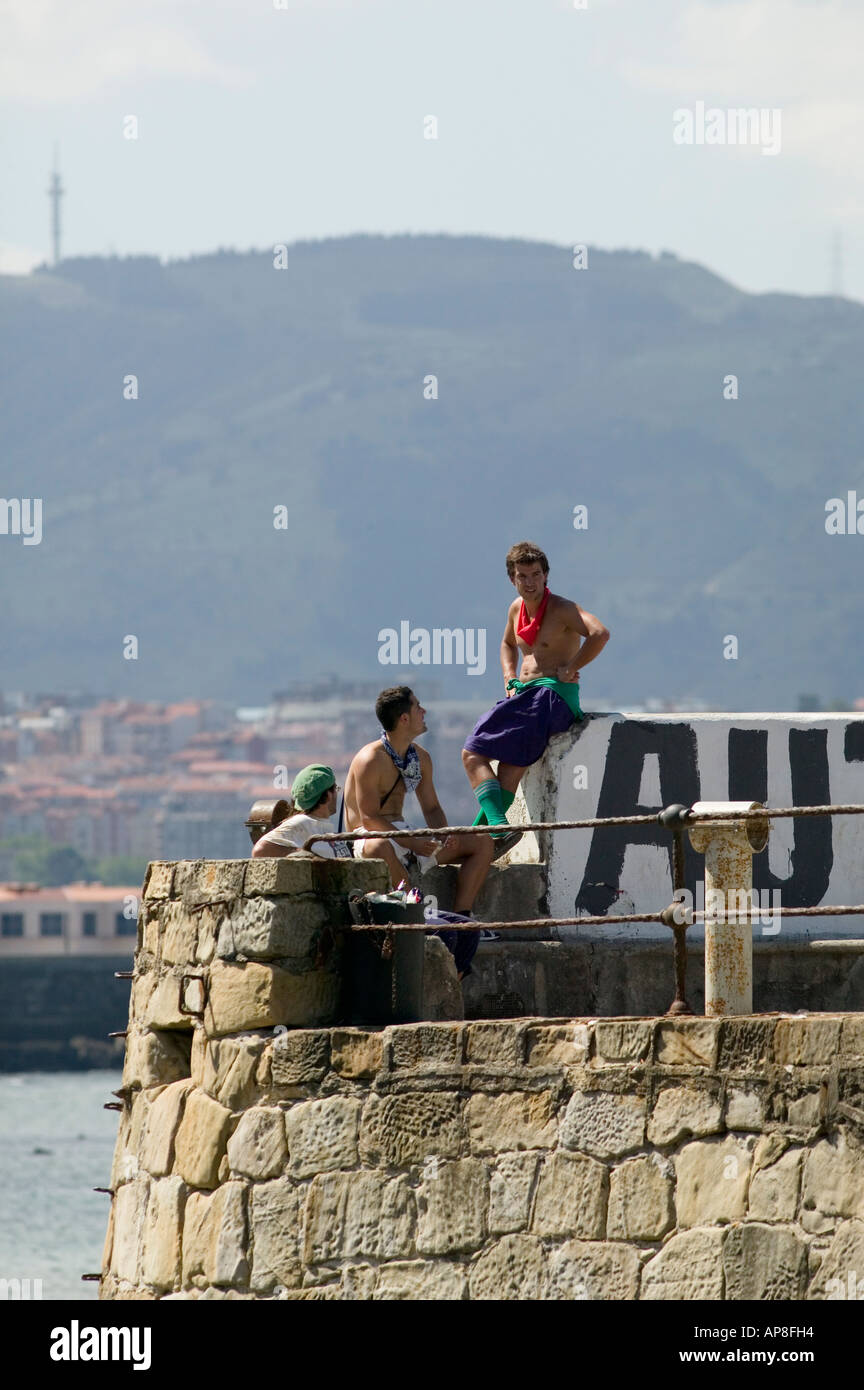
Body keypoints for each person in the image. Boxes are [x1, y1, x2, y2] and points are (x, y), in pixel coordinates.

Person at [462, 541, 610, 833]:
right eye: (522, 576)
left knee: (473, 751)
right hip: (527, 697)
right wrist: (508, 675)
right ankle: (487, 834)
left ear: (546, 576)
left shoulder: (563, 609)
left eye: (535, 575)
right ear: (512, 579)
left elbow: (600, 634)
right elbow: (507, 643)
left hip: (553, 696)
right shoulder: (516, 609)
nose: (530, 582)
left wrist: (572, 667)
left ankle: (492, 829)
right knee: (508, 766)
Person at [344, 685, 494, 922]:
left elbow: (432, 808)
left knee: (482, 842)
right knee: (377, 847)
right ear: (404, 718)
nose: (423, 711)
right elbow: (369, 818)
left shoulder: (420, 758)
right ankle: (414, 915)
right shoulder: (370, 759)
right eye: (417, 707)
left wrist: (443, 834)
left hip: (405, 836)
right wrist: (413, 842)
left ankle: (461, 917)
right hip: (370, 836)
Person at [251, 764, 351, 859]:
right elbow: (260, 850)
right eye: (336, 789)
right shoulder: (300, 823)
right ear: (329, 795)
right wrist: (305, 856)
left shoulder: (315, 823)